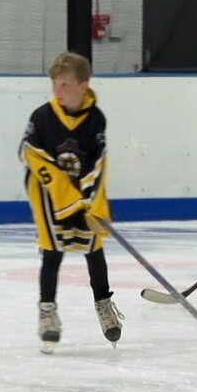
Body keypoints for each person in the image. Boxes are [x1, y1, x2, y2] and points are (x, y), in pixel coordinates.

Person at [19, 51, 122, 353]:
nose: (58, 91)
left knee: (93, 247)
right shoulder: (42, 116)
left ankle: (104, 304)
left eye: (65, 84)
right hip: (47, 190)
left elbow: (98, 162)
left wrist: (88, 202)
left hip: (83, 188)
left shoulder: (95, 118)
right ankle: (47, 312)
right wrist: (67, 201)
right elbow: (29, 154)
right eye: (55, 84)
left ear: (83, 85)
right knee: (53, 251)